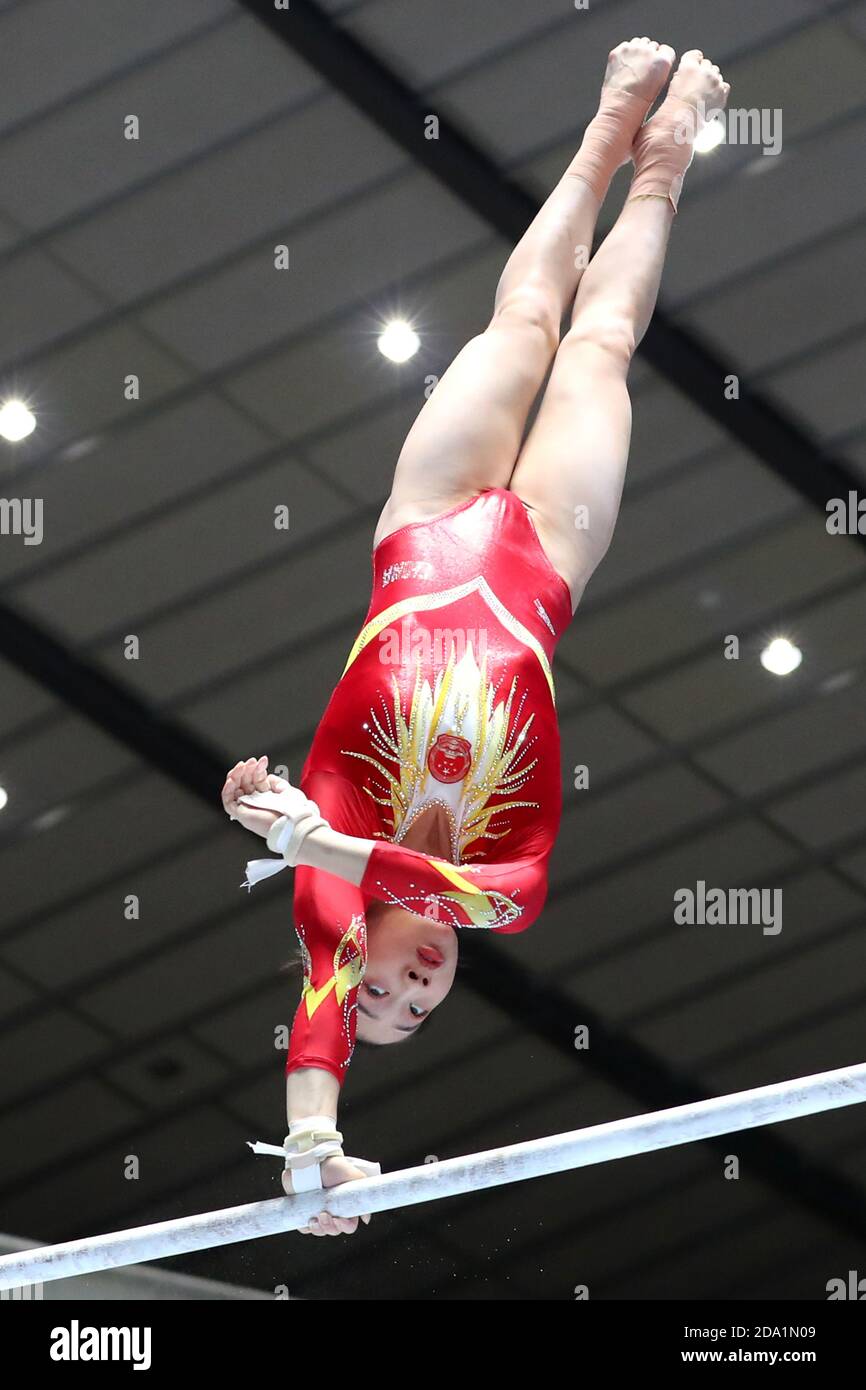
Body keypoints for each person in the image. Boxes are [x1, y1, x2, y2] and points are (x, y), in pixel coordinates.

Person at [221, 39, 730, 1236]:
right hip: (545, 558)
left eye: (383, 997)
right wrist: (317, 839)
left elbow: (318, 1012)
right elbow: (426, 888)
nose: (411, 986)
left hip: (427, 524)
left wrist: (311, 1153)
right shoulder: (499, 900)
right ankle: (666, 158)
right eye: (421, 1008)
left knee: (521, 314)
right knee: (597, 345)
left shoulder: (327, 904)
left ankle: (609, 119)